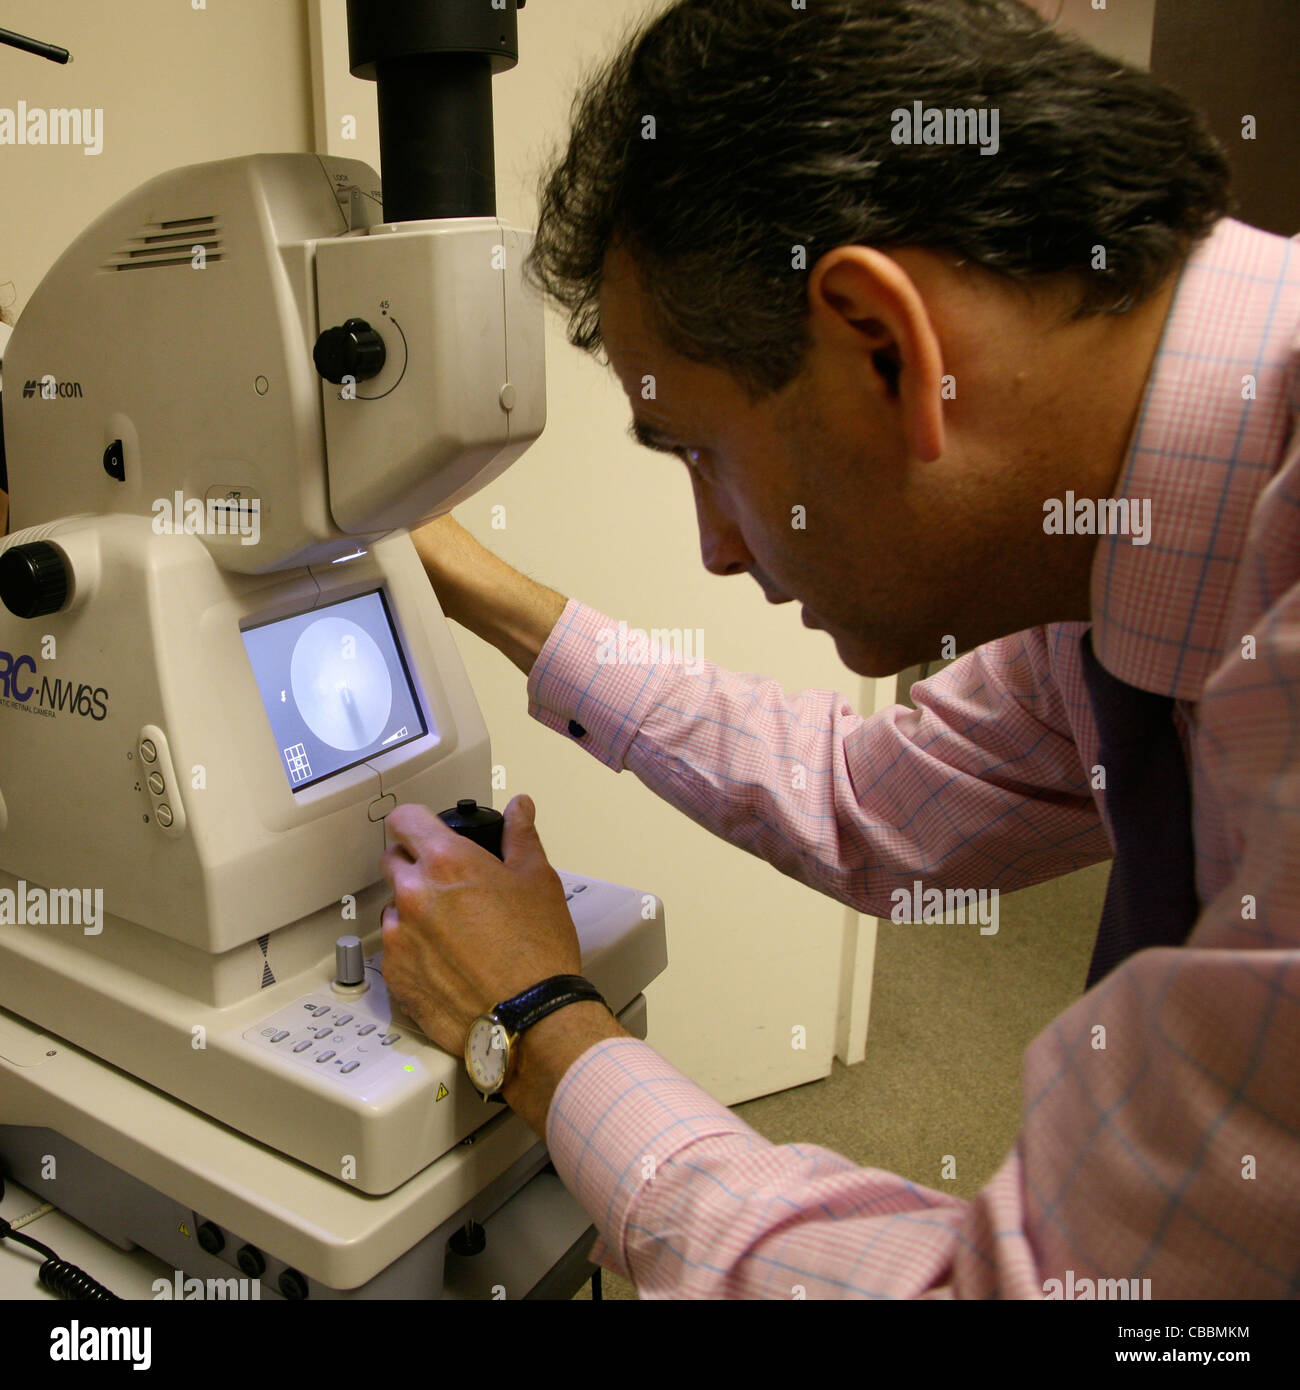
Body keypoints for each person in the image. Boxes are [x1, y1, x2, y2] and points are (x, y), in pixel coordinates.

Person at [377, 0, 1299, 1297]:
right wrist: (485, 590)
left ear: (883, 346)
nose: (718, 548)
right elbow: (877, 797)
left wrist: (536, 1027)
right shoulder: (1129, 550)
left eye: (701, 452)